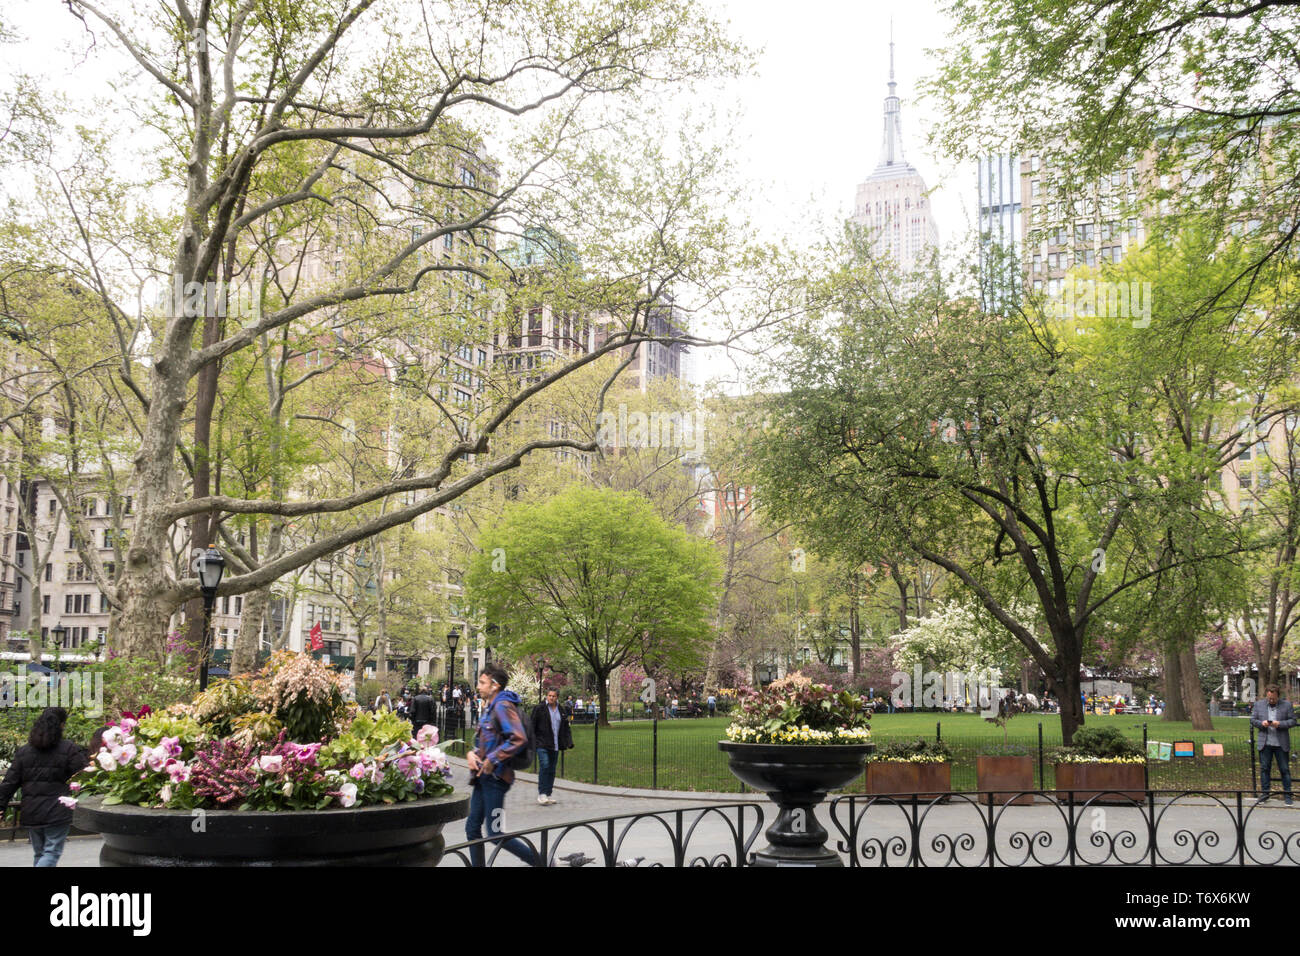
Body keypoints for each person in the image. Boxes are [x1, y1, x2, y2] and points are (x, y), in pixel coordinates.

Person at [465, 664, 540, 867]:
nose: (478, 686)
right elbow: (485, 740)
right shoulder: (491, 706)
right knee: (472, 828)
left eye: (482, 682)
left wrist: (493, 759)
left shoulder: (502, 706)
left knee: (496, 833)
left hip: (496, 779)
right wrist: (472, 753)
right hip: (483, 778)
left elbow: (518, 737)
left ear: (495, 685)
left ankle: (545, 862)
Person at [0, 707, 89, 867]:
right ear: (61, 725)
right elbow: (83, 774)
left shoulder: (24, 752)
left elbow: (9, 782)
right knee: (51, 852)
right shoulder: (68, 749)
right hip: (57, 811)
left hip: (32, 811)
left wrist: (1, 805)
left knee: (40, 853)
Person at [1251, 683, 1295, 805]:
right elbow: (1253, 719)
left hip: (1281, 743)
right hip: (1265, 743)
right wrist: (1262, 723)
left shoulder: (1286, 705)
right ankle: (1265, 794)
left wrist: (1279, 724)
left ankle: (1287, 795)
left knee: (1284, 769)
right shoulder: (1259, 705)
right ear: (1266, 694)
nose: (1271, 700)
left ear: (1278, 696)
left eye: (1273, 698)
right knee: (1265, 769)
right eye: (1269, 698)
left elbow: (1292, 721)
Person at [530, 689, 573, 805]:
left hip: (555, 744)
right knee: (545, 765)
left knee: (552, 769)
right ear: (546, 696)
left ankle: (548, 794)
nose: (551, 698)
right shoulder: (539, 709)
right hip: (542, 743)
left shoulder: (561, 710)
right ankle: (542, 793)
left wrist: (569, 741)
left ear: (557, 697)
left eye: (553, 696)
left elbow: (565, 728)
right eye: (549, 695)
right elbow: (532, 725)